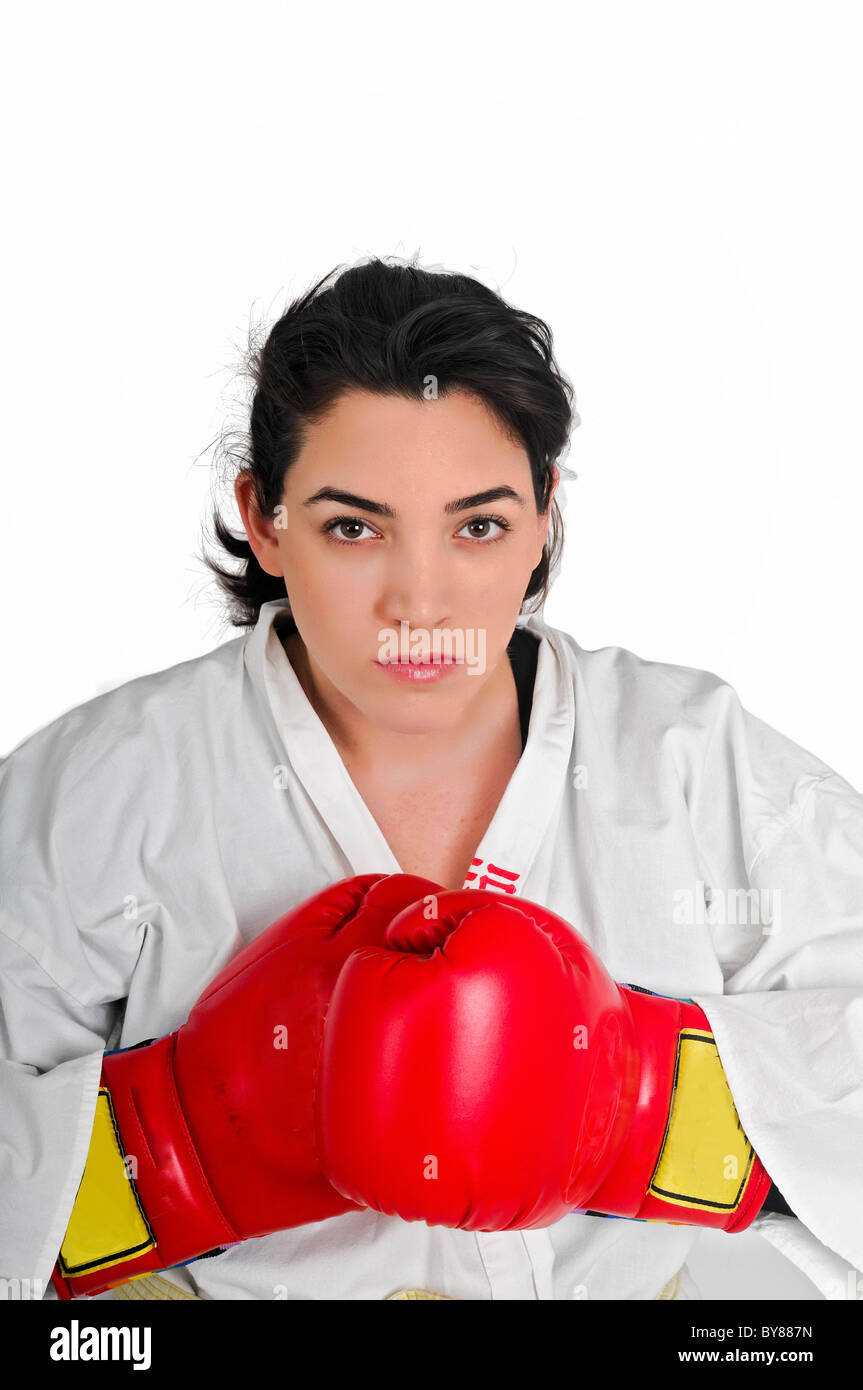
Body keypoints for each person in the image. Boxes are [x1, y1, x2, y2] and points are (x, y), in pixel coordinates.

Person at [1, 255, 861, 1301]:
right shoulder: (99, 792)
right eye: (352, 527)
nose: (420, 602)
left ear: (544, 514)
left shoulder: (688, 762)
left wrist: (636, 1098)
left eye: (478, 525)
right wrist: (173, 1145)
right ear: (264, 519)